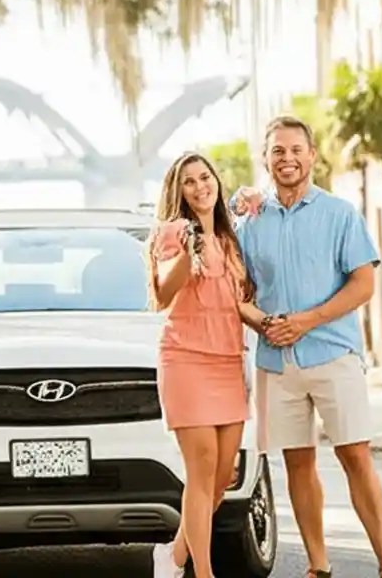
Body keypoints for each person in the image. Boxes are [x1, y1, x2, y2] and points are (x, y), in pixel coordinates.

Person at [230, 115, 382, 578]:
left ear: (312, 156)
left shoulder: (340, 214)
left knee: (355, 456)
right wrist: (268, 325)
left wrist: (306, 321)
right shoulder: (249, 222)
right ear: (266, 159)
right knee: (298, 464)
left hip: (334, 354)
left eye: (295, 150)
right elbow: (235, 288)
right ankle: (318, 565)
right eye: (277, 151)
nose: (287, 159)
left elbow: (363, 284)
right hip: (275, 361)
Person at [147, 152, 266, 578]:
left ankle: (172, 556)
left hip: (228, 364)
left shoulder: (231, 239)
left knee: (220, 479)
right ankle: (203, 573)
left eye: (205, 178)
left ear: (216, 181)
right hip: (186, 362)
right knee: (200, 472)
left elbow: (240, 304)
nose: (199, 187)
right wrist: (188, 251)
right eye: (189, 182)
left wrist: (273, 325)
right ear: (178, 191)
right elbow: (163, 294)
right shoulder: (173, 231)